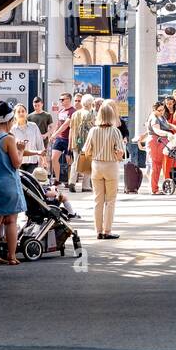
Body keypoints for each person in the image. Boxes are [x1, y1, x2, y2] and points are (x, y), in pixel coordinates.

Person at [0, 102, 26, 264]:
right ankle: (12, 256)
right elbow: (16, 163)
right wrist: (21, 149)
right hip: (8, 184)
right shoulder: (8, 139)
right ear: (10, 121)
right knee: (11, 221)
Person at [84, 100, 127, 239]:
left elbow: (86, 150)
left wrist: (95, 155)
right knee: (110, 200)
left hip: (96, 165)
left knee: (98, 200)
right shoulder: (115, 131)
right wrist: (117, 157)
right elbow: (120, 152)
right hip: (111, 166)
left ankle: (98, 231)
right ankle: (107, 231)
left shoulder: (93, 130)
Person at [145, 99, 176, 194]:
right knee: (156, 165)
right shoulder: (154, 118)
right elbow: (157, 130)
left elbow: (166, 124)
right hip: (155, 141)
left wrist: (174, 127)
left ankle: (154, 188)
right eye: (159, 110)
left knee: (158, 165)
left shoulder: (161, 116)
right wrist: (167, 134)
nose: (162, 112)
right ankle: (154, 189)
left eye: (163, 109)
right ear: (153, 110)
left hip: (160, 141)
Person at [68, 94, 96, 192]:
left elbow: (71, 129)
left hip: (76, 142)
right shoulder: (89, 114)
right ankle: (85, 185)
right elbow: (91, 129)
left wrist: (70, 143)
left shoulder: (75, 114)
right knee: (88, 163)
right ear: (90, 103)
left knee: (75, 162)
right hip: (86, 143)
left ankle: (72, 182)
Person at [10, 102, 45, 170]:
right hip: (19, 162)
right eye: (18, 112)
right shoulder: (12, 129)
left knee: (31, 180)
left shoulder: (33, 126)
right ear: (15, 115)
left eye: (23, 111)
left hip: (33, 161)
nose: (21, 113)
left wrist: (43, 160)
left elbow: (40, 144)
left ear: (26, 113)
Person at [49, 91, 75, 182]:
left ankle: (69, 180)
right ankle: (57, 179)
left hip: (69, 139)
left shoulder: (73, 111)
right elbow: (58, 124)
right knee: (54, 158)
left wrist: (54, 135)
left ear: (68, 100)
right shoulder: (61, 111)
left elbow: (65, 125)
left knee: (69, 161)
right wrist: (54, 135)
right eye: (60, 99)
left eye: (62, 99)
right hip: (60, 138)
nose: (61, 101)